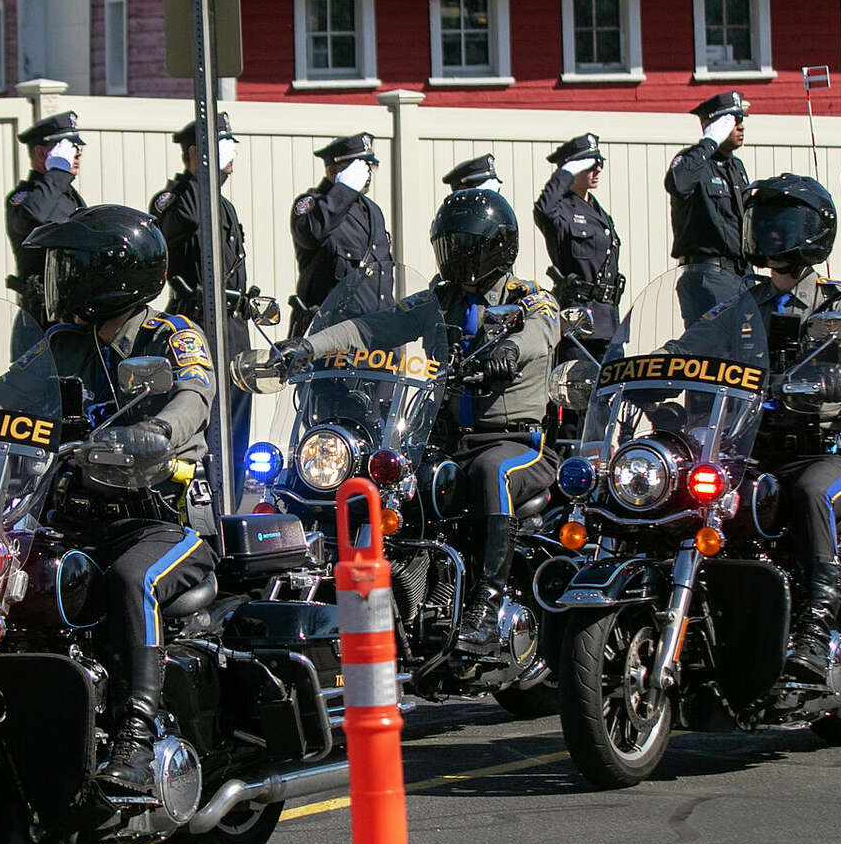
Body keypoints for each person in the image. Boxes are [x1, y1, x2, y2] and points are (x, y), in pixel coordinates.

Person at [262, 189, 561, 652]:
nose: (455, 257)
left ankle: (487, 598)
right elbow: (371, 327)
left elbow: (542, 332)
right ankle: (394, 597)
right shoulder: (436, 301)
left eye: (465, 246)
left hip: (516, 442)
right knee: (384, 480)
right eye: (447, 245)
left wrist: (507, 351)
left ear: (497, 247)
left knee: (490, 472)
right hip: (442, 438)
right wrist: (307, 345)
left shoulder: (530, 300)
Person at [21, 205, 218, 792]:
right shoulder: (62, 343)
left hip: (163, 523)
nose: (58, 277)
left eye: (70, 265)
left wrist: (157, 432)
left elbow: (194, 396)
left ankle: (137, 734)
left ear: (114, 274)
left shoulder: (172, 336)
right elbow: (3, 393)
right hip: (76, 520)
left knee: (133, 579)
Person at [740, 174, 841, 680]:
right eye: (767, 226)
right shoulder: (743, 301)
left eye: (786, 226)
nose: (774, 237)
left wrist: (839, 380)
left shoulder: (840, 301)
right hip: (752, 450)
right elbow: (693, 345)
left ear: (813, 233)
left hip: (827, 452)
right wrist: (655, 368)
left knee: (808, 494)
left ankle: (816, 630)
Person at [150, 113, 250, 482]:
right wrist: (202, 172)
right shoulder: (172, 200)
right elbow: (184, 222)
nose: (232, 154)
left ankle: (233, 504)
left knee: (237, 425)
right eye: (222, 146)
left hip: (233, 325)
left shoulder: (224, 205)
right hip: (199, 324)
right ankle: (202, 505)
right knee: (203, 416)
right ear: (197, 154)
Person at [290, 131, 395, 333]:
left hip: (374, 338)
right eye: (359, 168)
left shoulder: (372, 211)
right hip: (330, 337)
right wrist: (344, 190)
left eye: (370, 168)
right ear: (332, 170)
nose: (367, 175)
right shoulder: (312, 206)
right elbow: (311, 234)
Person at [666, 92, 751, 322]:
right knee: (712, 351)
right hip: (709, 276)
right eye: (732, 122)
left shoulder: (736, 167)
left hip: (741, 275)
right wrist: (709, 142)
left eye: (742, 121)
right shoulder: (693, 162)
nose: (741, 127)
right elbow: (678, 184)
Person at [534, 133, 623, 353]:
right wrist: (565, 172)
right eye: (590, 164)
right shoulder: (562, 211)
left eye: (599, 163)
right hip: (579, 322)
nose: (598, 169)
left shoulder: (597, 211)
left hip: (608, 321)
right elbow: (543, 210)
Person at [5, 111, 88, 347]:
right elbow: (33, 218)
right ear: (41, 152)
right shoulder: (25, 197)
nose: (78, 153)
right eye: (69, 148)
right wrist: (58, 172)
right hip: (41, 319)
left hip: (71, 316)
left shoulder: (68, 195)